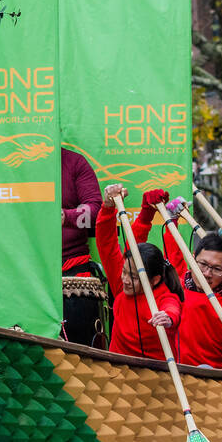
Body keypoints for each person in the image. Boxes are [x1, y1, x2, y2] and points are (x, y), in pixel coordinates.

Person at [158, 202, 222, 369]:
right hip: (171, 375)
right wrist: (172, 218)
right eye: (203, 265)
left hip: (210, 382)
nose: (207, 273)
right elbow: (173, 248)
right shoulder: (178, 284)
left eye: (216, 269)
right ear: (192, 259)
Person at [94, 183, 183, 358]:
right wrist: (109, 207)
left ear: (154, 280)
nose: (125, 279)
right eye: (124, 272)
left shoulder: (165, 295)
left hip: (157, 377)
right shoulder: (122, 285)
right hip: (118, 375)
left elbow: (172, 308)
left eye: (133, 277)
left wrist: (168, 317)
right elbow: (107, 244)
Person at [59, 148, 105, 346]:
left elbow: (95, 210)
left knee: (81, 347)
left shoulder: (74, 162)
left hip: (72, 269)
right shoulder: (8, 163)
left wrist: (65, 217)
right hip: (22, 269)